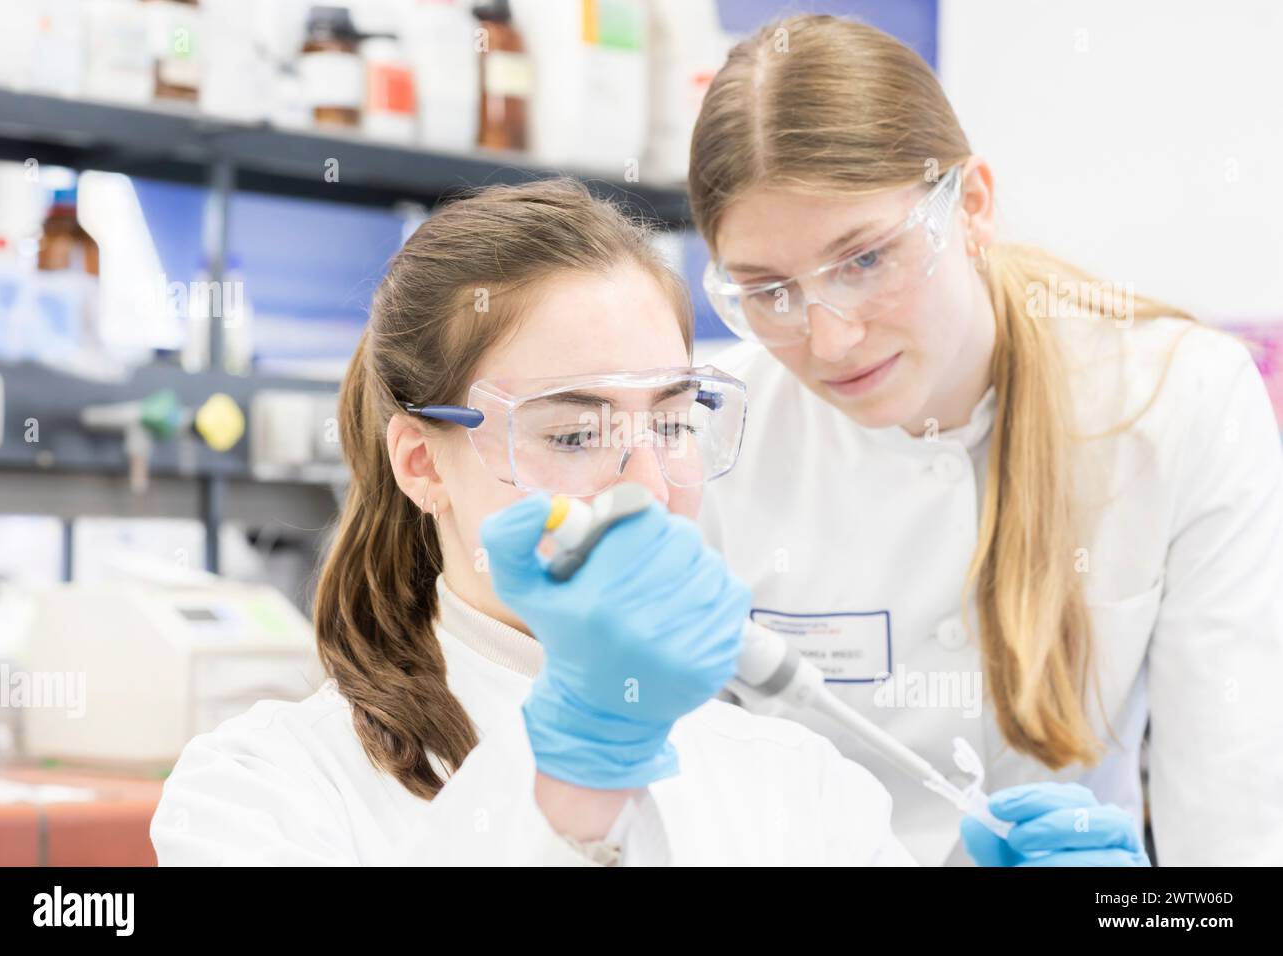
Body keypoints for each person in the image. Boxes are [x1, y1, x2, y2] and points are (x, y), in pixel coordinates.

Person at [150, 179, 916, 866]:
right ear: (420, 463)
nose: (649, 489)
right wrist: (575, 768)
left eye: (675, 423)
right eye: (576, 436)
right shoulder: (265, 793)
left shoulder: (801, 784)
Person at [686, 14, 1283, 865]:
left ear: (971, 207)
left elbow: (1233, 838)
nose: (828, 340)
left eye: (864, 260)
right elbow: (689, 812)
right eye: (769, 290)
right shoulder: (709, 433)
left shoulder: (1180, 403)